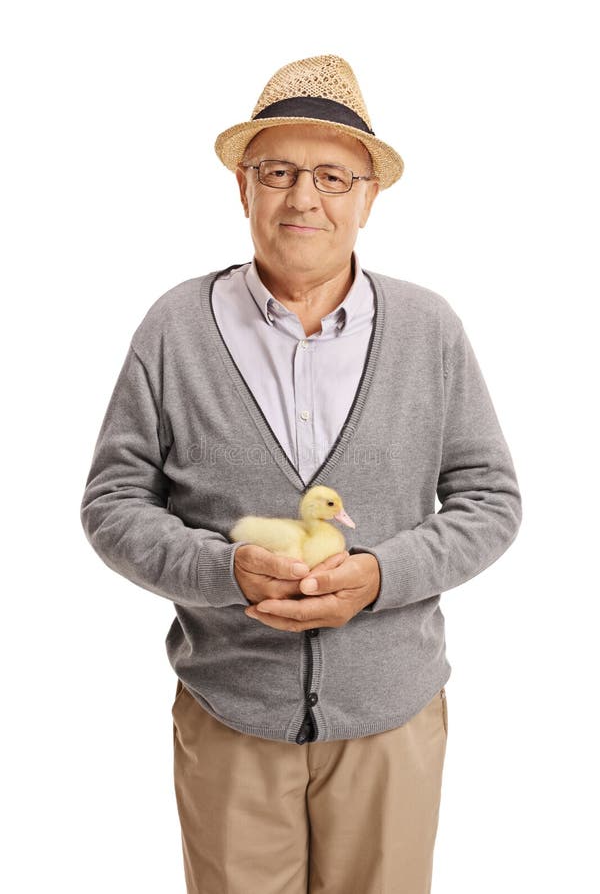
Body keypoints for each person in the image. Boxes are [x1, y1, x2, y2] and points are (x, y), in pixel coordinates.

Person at [80, 54, 522, 894]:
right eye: (277, 171)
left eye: (331, 175)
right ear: (242, 188)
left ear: (368, 196)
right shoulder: (174, 328)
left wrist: (382, 574)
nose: (302, 198)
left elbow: (491, 498)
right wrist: (223, 570)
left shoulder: (429, 329)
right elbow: (112, 503)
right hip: (229, 714)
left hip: (392, 718)